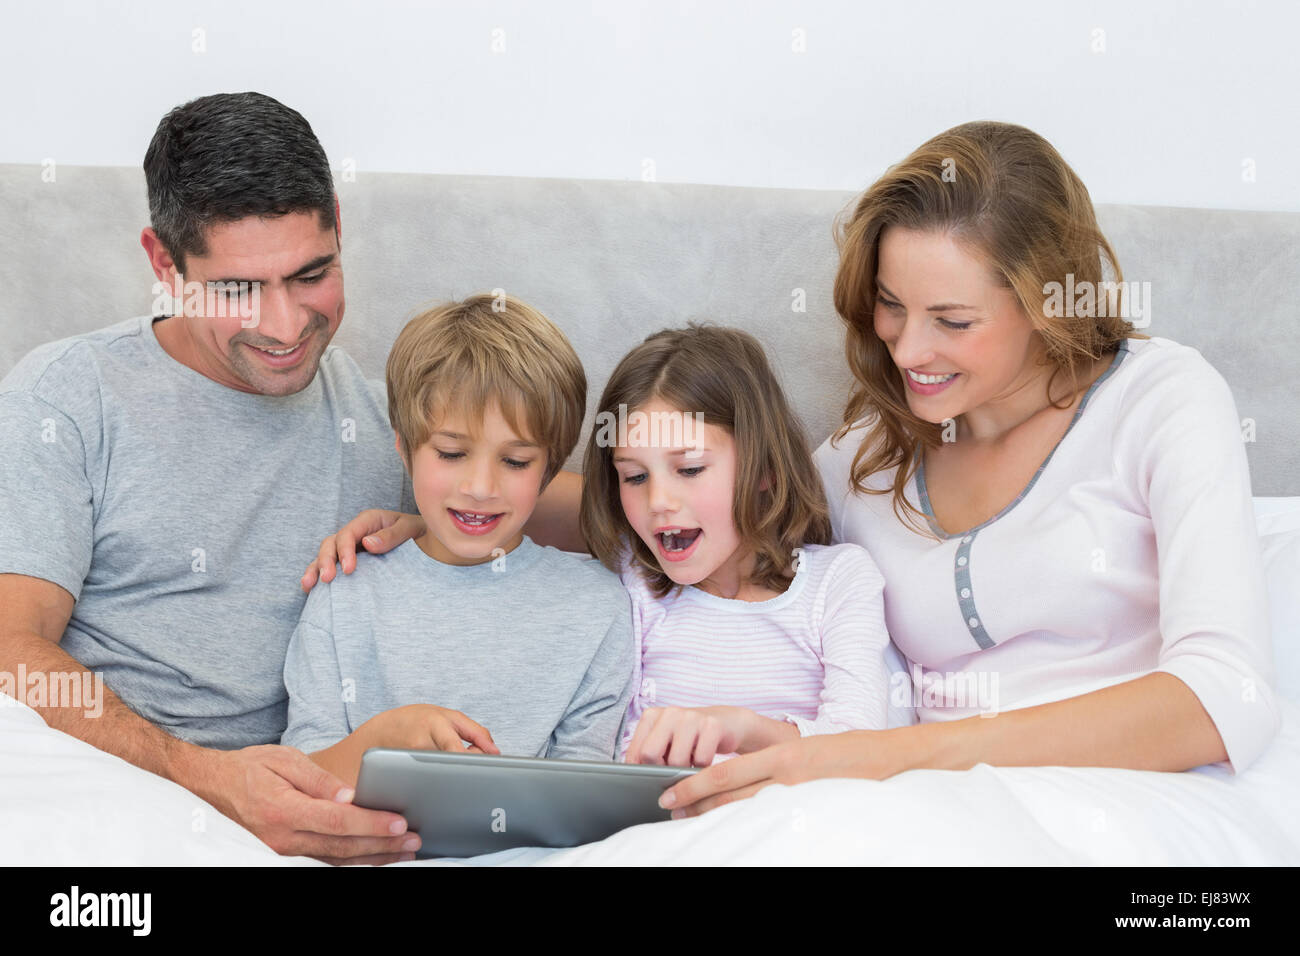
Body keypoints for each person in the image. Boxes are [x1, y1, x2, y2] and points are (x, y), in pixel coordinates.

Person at [305, 121, 1279, 820]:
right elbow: (694, 504)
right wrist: (454, 511)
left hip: (1101, 803)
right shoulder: (876, 445)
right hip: (899, 803)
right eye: (891, 306)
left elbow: (1220, 692)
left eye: (953, 320)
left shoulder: (1161, 399)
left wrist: (858, 757)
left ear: (1046, 305)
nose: (908, 347)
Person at [0, 91, 556, 863]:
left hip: (300, 798)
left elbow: (579, 497)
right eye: (238, 290)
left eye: (311, 274)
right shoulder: (68, 396)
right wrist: (202, 778)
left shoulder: (385, 423)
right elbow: (8, 648)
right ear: (165, 264)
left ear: (336, 222)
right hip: (111, 783)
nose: (287, 327)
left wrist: (430, 522)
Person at [281, 294, 635, 786]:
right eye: (451, 453)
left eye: (515, 462)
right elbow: (299, 776)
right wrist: (380, 741)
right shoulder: (344, 597)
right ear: (404, 449)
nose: (480, 488)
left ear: (550, 468)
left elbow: (586, 781)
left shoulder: (597, 606)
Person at [576, 324, 901, 767]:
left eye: (689, 469)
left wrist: (741, 730)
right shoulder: (631, 583)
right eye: (634, 476)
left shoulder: (839, 580)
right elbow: (605, 749)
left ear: (764, 468)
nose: (658, 503)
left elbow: (858, 744)